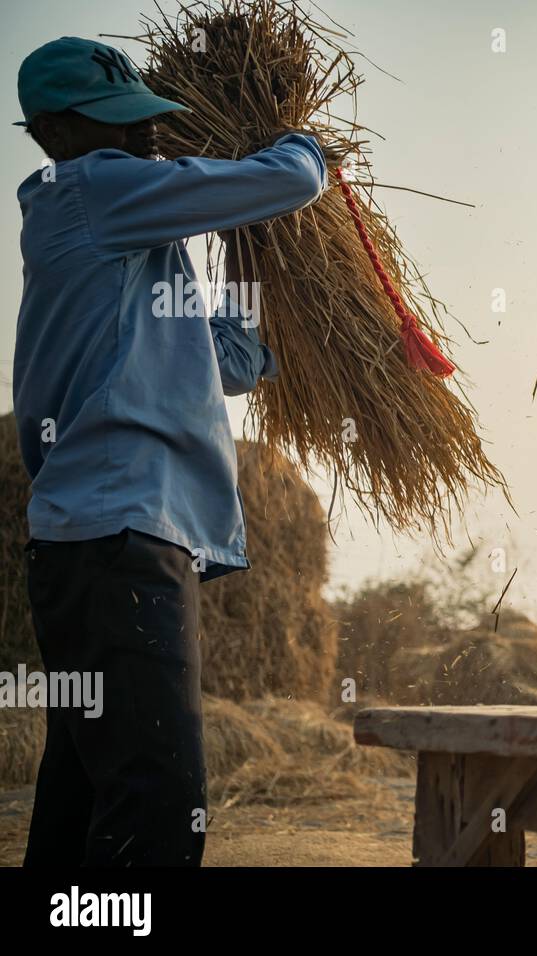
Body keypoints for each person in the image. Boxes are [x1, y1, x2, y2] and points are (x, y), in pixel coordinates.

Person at [12, 36, 335, 866]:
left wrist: (250, 256)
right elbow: (291, 178)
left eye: (147, 121)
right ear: (53, 133)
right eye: (119, 124)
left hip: (91, 545)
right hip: (120, 541)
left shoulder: (126, 242)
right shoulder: (89, 190)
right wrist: (301, 143)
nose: (147, 137)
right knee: (159, 799)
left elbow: (227, 360)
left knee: (85, 795)